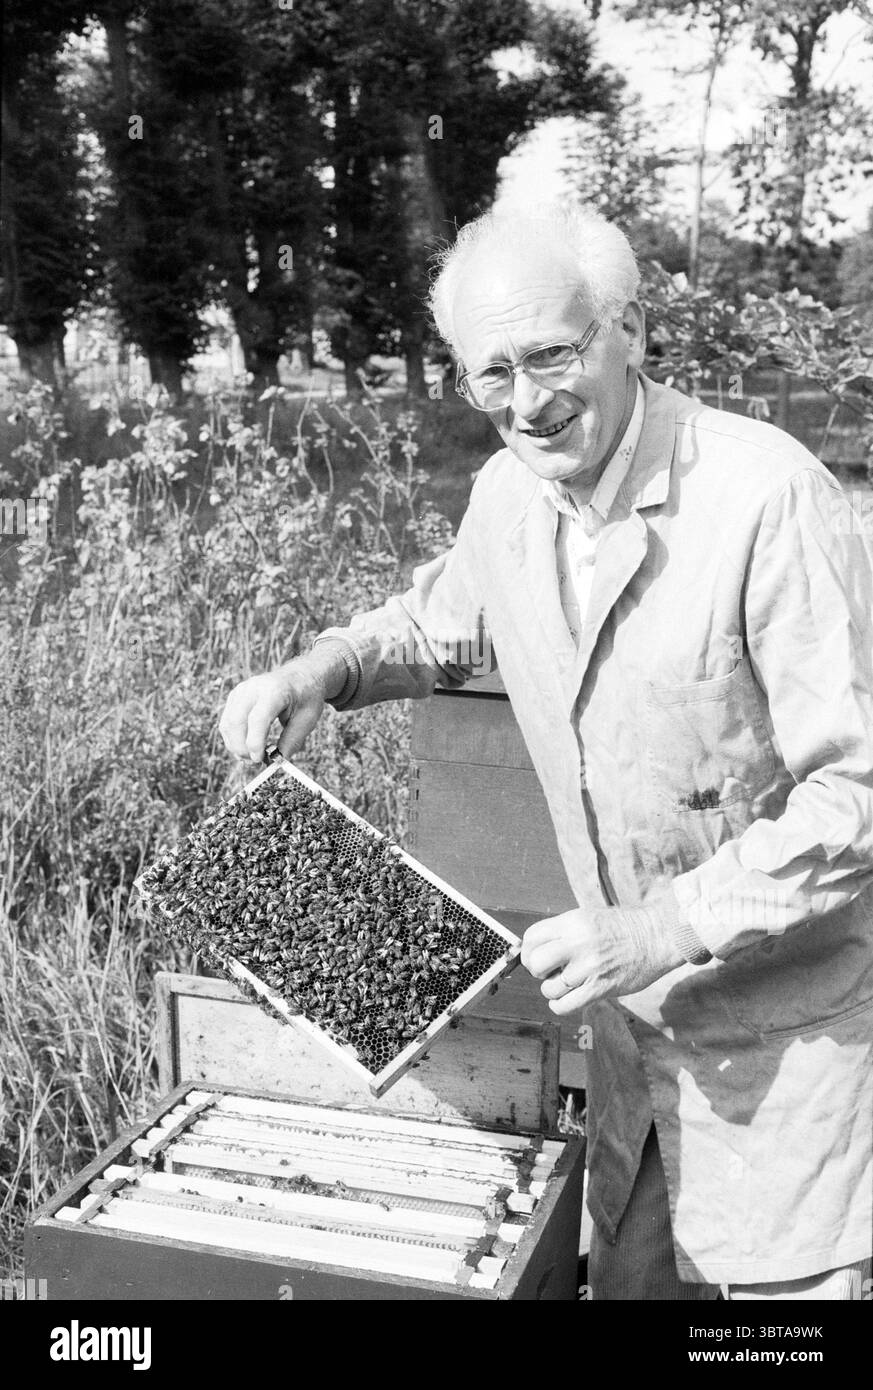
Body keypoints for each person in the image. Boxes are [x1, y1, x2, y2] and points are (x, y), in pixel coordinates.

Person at [219, 204, 873, 1300]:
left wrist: (660, 925)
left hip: (788, 1056)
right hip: (635, 1058)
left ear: (632, 332)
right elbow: (437, 621)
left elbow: (856, 792)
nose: (527, 402)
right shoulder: (509, 497)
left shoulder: (767, 498)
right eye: (492, 373)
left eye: (555, 353)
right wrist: (320, 670)